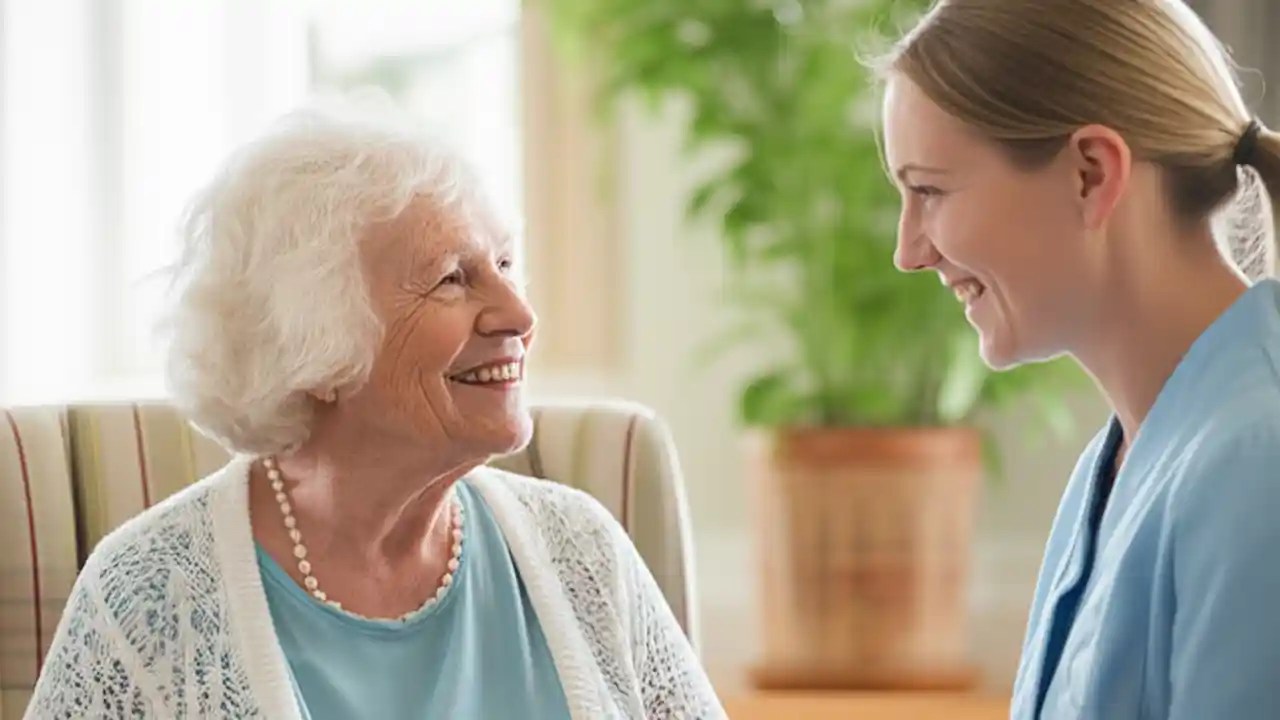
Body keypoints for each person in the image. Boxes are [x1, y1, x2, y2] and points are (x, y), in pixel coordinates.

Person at [25, 98, 725, 719]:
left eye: (505, 266)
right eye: (453, 279)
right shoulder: (149, 598)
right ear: (317, 349)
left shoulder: (582, 552)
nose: (518, 313)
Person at [878, 1, 1280, 718]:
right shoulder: (1122, 465)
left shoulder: (1258, 463)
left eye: (930, 191)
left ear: (1091, 173)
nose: (909, 252)